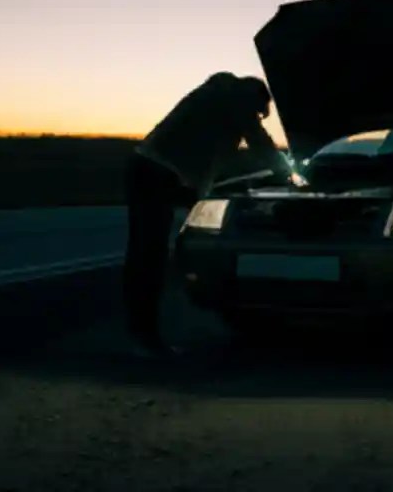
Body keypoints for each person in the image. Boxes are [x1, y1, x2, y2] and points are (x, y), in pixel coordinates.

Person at [123, 71, 289, 357]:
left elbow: (217, 154)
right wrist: (286, 174)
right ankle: (144, 337)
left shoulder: (218, 98)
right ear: (253, 99)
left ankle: (143, 332)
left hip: (156, 171)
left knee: (148, 254)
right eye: (259, 113)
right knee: (148, 257)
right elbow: (258, 140)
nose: (258, 118)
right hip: (158, 174)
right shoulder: (234, 96)